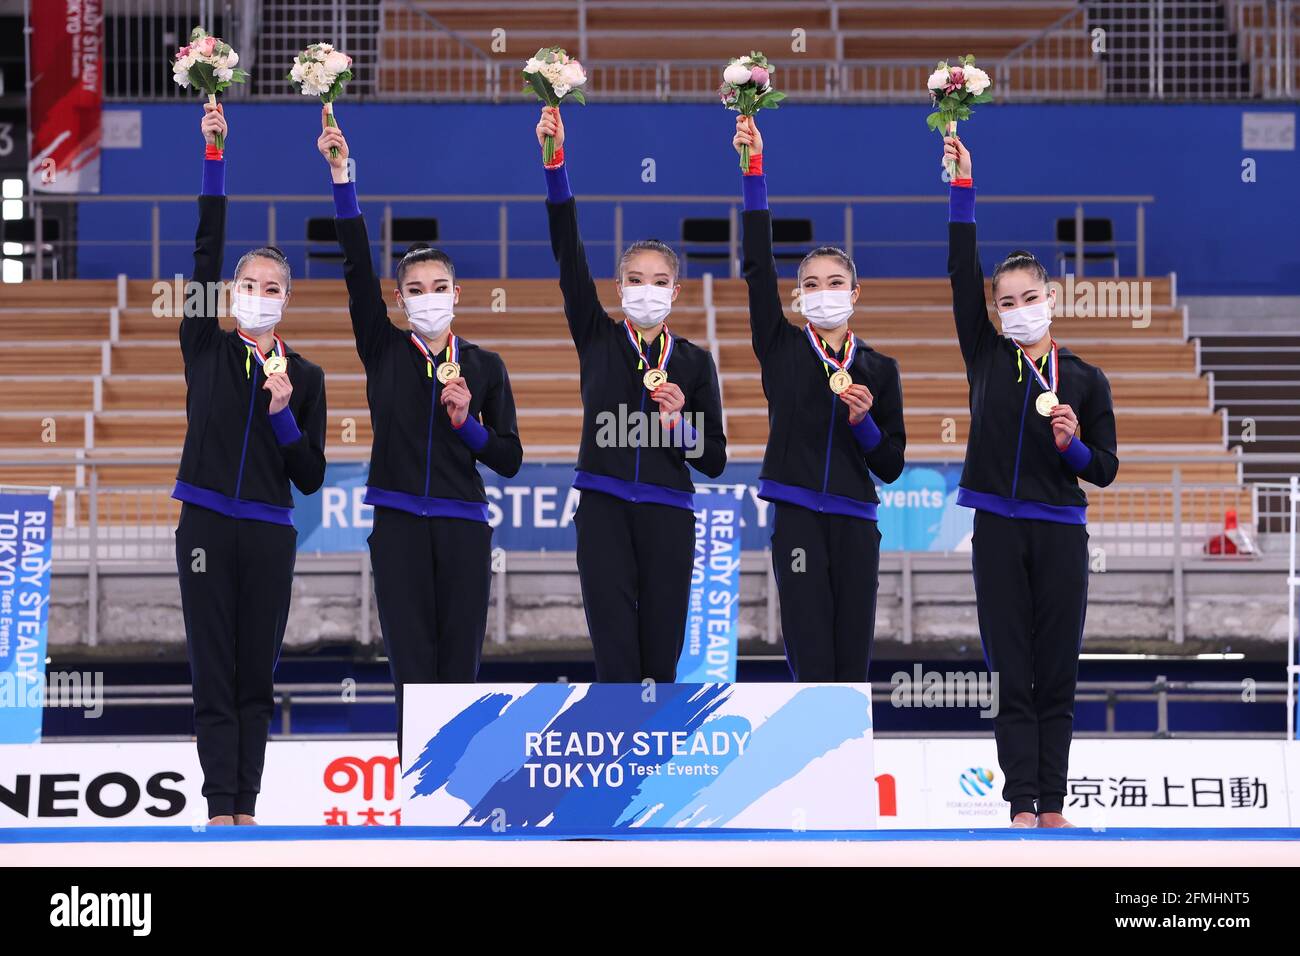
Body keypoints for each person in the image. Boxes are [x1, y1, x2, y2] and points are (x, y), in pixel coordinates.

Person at [317, 115, 522, 760]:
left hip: (464, 524)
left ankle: (458, 785)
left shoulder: (485, 366)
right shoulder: (383, 350)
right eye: (414, 290)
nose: (427, 298)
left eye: (438, 288)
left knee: (459, 663)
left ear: (458, 294)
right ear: (399, 299)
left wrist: (470, 426)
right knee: (411, 662)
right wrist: (343, 178)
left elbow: (510, 459)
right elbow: (354, 265)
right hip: (399, 522)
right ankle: (419, 786)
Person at [943, 132, 1119, 828]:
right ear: (996, 307)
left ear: (1051, 298)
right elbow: (960, 272)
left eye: (1029, 296)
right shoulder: (985, 354)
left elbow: (1104, 470)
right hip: (995, 528)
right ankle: (1021, 804)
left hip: (1060, 534)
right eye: (1005, 299)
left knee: (1059, 672)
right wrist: (963, 191)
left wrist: (1074, 449)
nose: (1018, 307)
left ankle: (1055, 805)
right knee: (1010, 671)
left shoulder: (1085, 379)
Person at [174, 102, 327, 825]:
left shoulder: (308, 374)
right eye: (250, 284)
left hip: (269, 529)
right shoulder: (204, 345)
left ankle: (249, 809)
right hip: (205, 522)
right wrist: (214, 157)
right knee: (213, 668)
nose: (260, 296)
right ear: (229, 294)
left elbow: (311, 476)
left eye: (273, 288)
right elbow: (204, 251)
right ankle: (216, 808)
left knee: (256, 675)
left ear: (287, 300)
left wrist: (284, 413)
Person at [536, 105, 727, 682]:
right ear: (618, 287)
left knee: (661, 654)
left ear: (677, 289)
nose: (648, 290)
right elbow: (568, 255)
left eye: (660, 280)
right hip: (602, 508)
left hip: (670, 513)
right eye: (636, 280)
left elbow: (714, 459)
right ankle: (620, 767)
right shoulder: (596, 336)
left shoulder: (694, 361)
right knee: (615, 651)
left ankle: (656, 766)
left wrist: (680, 425)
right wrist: (555, 166)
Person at [734, 115, 906, 681]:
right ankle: (816, 765)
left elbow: (891, 465)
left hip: (858, 521)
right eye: (811, 284)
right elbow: (758, 267)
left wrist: (864, 425)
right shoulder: (780, 345)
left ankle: (851, 768)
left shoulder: (880, 368)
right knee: (810, 655)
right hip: (797, 515)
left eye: (835, 284)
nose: (823, 293)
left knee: (852, 658)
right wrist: (754, 171)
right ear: (796, 295)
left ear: (855, 293)